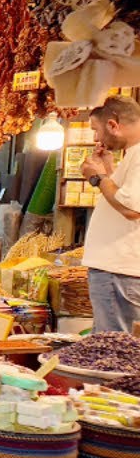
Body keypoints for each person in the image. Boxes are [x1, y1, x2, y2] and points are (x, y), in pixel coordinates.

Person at [80, 96, 140, 333]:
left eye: (97, 130)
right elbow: (127, 196)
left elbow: (131, 208)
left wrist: (97, 177)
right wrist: (109, 171)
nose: (96, 139)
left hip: (119, 272)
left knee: (116, 351)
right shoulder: (132, 155)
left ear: (113, 125)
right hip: (117, 272)